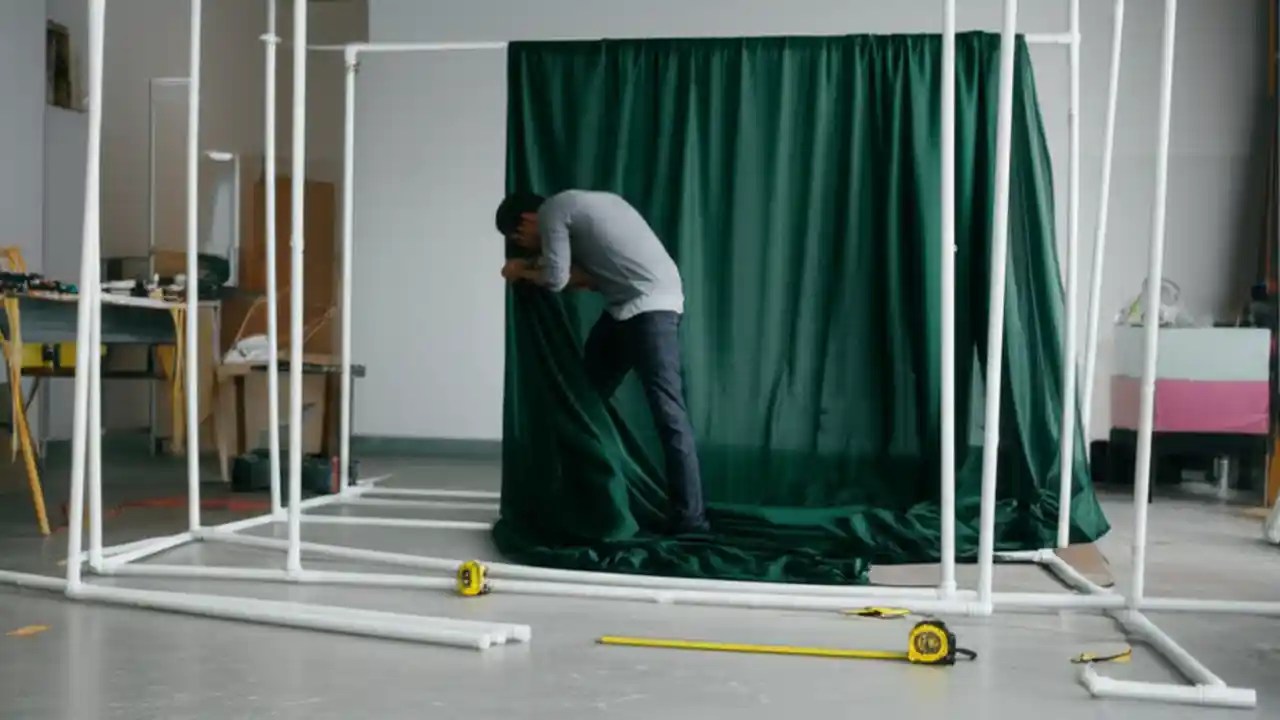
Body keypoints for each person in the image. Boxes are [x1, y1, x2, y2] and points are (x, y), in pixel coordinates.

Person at [495, 189, 709, 535]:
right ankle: (590, 499)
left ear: (526, 220)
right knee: (583, 398)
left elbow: (556, 278)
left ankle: (692, 519)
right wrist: (533, 267)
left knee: (669, 414)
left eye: (520, 239)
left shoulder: (554, 210)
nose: (531, 246)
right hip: (629, 307)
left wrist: (521, 270)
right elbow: (589, 278)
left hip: (651, 309)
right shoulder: (581, 207)